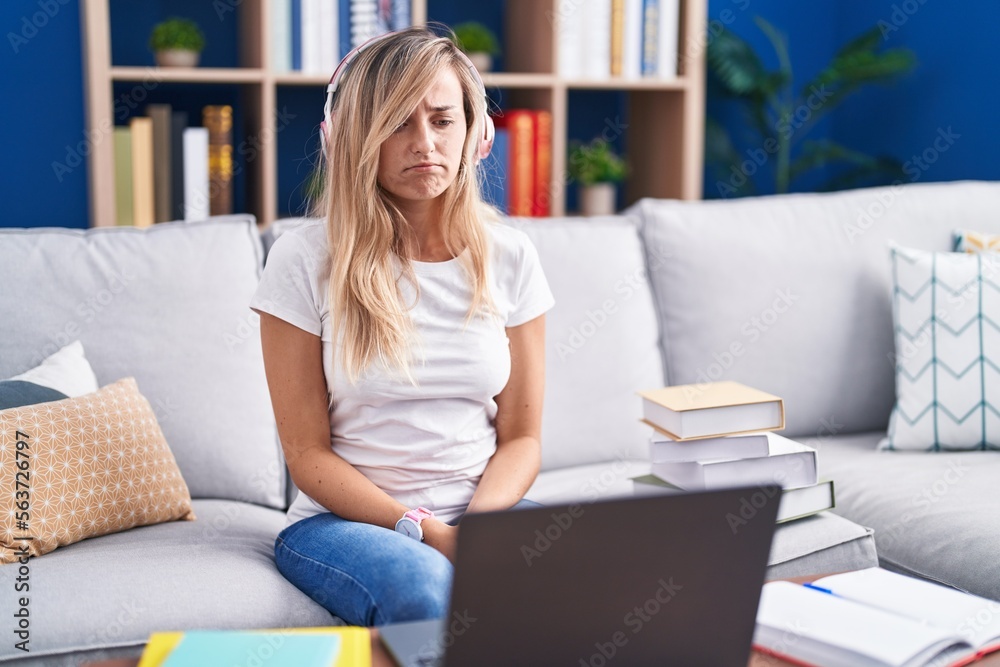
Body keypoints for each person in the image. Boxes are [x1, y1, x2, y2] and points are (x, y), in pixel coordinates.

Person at [249, 26, 555, 627]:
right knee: (424, 596)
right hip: (344, 523)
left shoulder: (511, 256)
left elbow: (522, 437)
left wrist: (479, 531)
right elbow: (306, 452)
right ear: (351, 139)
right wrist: (428, 532)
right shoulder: (304, 259)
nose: (424, 143)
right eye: (396, 123)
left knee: (590, 579)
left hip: (479, 512)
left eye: (442, 121)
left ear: (476, 134)